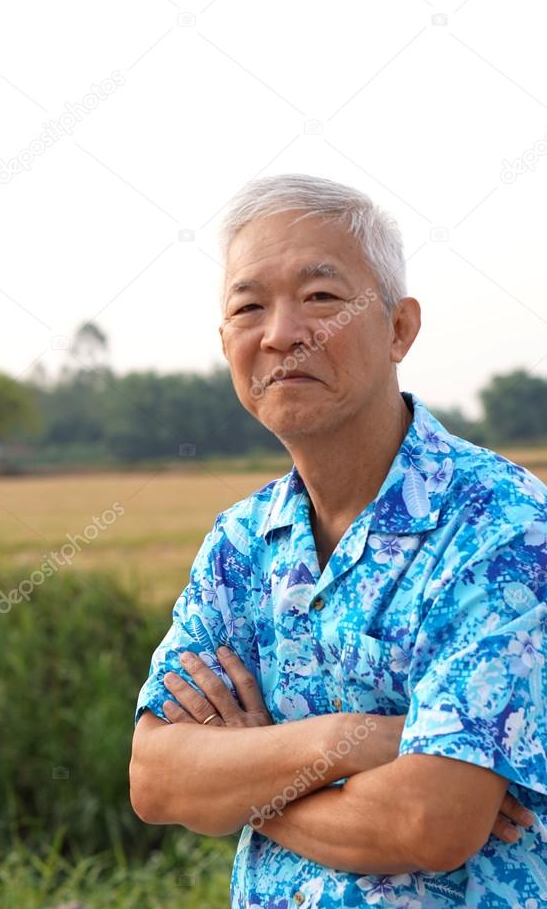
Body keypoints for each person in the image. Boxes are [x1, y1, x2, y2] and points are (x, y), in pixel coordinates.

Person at [129, 173, 547, 908]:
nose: (281, 333)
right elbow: (158, 779)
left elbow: (429, 821)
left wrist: (242, 782)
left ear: (398, 328)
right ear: (226, 340)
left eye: (320, 298)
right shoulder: (238, 546)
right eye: (248, 306)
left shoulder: (504, 529)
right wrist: (361, 739)